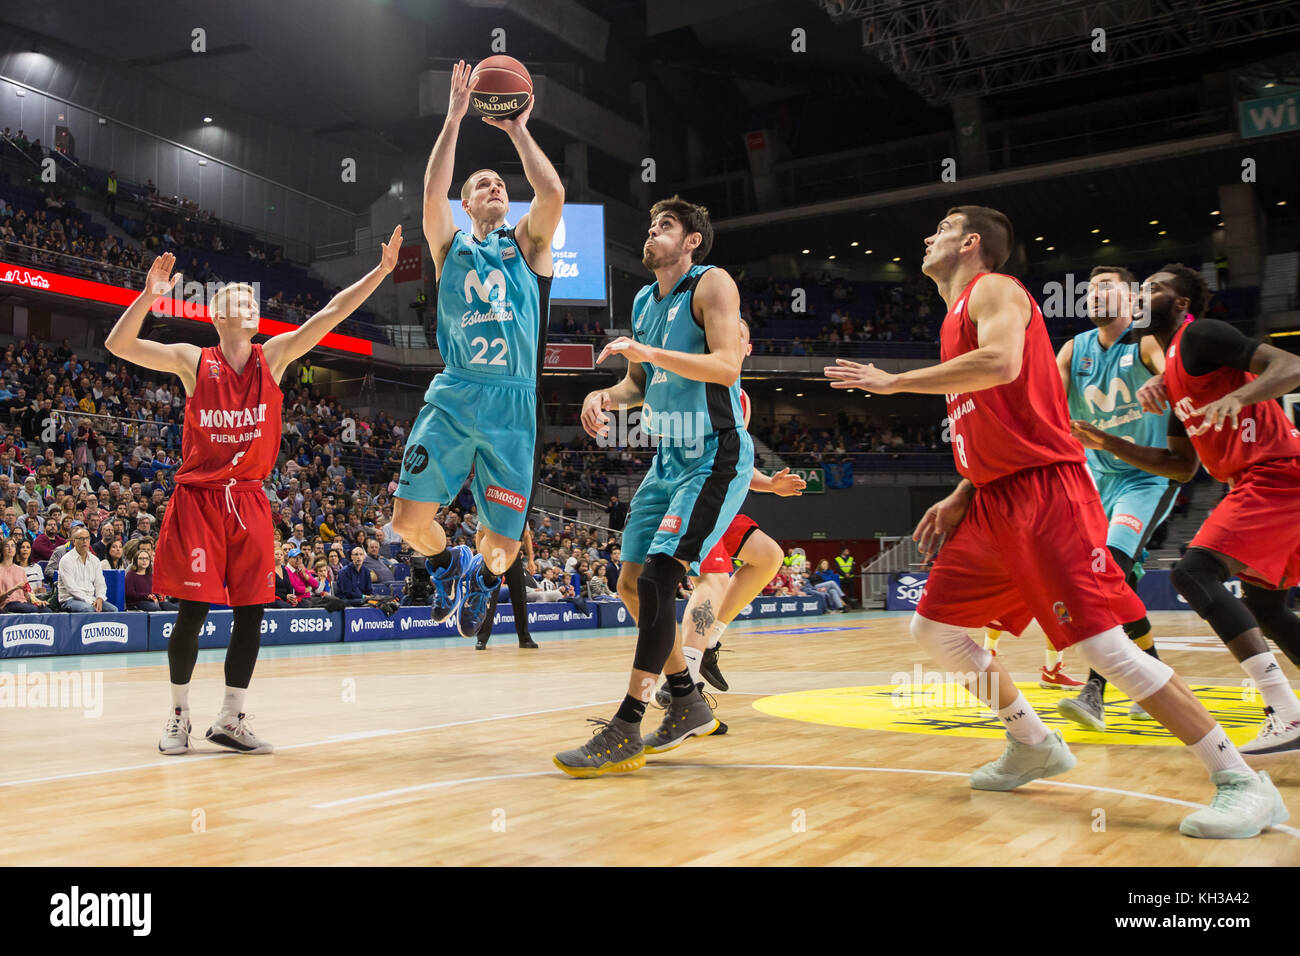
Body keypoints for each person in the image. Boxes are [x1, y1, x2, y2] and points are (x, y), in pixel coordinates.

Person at [823, 206, 1286, 838]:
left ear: (972, 243)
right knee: (935, 630)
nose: (928, 237)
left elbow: (1003, 365)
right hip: (992, 499)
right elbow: (997, 414)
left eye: (942, 228)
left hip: (1047, 495)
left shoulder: (995, 290)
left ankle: (1242, 782)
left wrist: (895, 381)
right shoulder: (955, 317)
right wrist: (963, 490)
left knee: (1105, 648)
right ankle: (1033, 741)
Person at [104, 227, 401, 757]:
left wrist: (379, 273)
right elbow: (119, 345)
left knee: (252, 611)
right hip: (199, 498)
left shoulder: (276, 357)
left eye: (252, 301)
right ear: (218, 316)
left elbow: (329, 315)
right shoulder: (193, 361)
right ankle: (178, 717)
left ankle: (231, 717)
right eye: (240, 301)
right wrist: (149, 297)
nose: (251, 306)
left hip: (249, 499)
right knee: (192, 612)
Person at [556, 195, 752, 776]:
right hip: (667, 460)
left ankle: (627, 725)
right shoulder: (644, 299)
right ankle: (688, 702)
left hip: (713, 454)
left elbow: (725, 367)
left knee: (663, 579)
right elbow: (638, 382)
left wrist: (647, 352)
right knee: (631, 584)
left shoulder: (711, 284)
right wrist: (604, 396)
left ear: (691, 240)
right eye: (650, 225)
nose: (651, 233)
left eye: (664, 226)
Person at [1072, 263, 1300, 762]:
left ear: (1180, 305)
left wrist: (1237, 396)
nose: (1140, 296)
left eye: (1153, 289)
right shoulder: (1171, 372)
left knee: (1194, 573)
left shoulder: (1204, 337)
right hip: (1259, 480)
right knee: (1267, 608)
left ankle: (1286, 711)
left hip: (1277, 475)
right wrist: (1106, 440)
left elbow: (1291, 366)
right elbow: (1178, 467)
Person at [392, 58, 564, 639]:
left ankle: (484, 583)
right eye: (483, 184)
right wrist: (456, 116)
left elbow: (553, 190)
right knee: (408, 521)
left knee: (504, 545)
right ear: (467, 205)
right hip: (457, 389)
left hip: (514, 404)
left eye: (501, 184)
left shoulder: (529, 247)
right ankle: (445, 567)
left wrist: (516, 128)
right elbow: (431, 190)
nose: (496, 187)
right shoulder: (450, 247)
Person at [1040, 265, 1172, 723]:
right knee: (1113, 581)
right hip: (1095, 481)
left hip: (1145, 478)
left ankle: (1095, 690)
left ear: (1132, 297)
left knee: (1108, 572)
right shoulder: (1073, 350)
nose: (1094, 294)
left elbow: (1179, 377)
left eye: (1105, 287)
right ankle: (1155, 674)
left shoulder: (1146, 343)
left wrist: (1165, 379)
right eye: (1090, 289)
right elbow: (1046, 412)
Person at [473, 524, 538, 650]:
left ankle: (524, 639)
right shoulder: (492, 508)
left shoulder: (519, 508)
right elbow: (479, 534)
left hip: (513, 555)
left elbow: (526, 535)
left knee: (520, 597)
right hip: (493, 555)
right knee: (490, 599)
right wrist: (481, 556)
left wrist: (531, 559)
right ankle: (482, 639)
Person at [58, 528, 117, 613]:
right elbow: (71, 588)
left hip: (92, 598)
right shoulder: (66, 560)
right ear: (74, 541)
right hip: (70, 599)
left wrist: (100, 598)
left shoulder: (94, 560)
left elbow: (100, 583)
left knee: (113, 610)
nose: (84, 541)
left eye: (87, 538)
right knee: (89, 609)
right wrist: (91, 601)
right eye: (81, 538)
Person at [0, 538, 48, 612]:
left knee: (46, 610)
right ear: (2, 550)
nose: (10, 548)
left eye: (13, 546)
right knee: (32, 609)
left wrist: (38, 601)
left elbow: (28, 593)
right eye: (7, 546)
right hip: (7, 604)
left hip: (23, 602)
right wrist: (14, 589)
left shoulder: (21, 570)